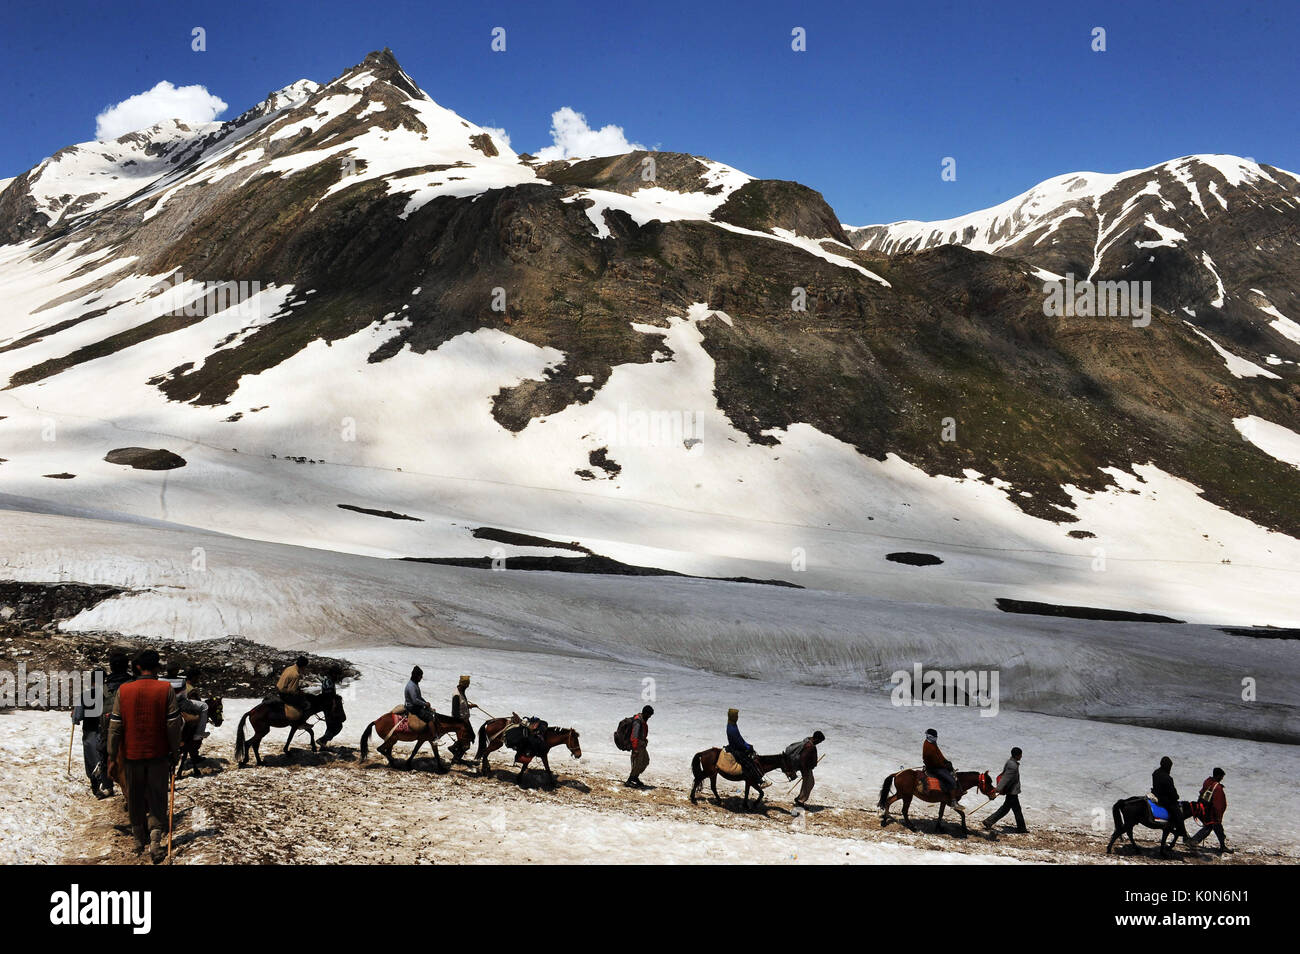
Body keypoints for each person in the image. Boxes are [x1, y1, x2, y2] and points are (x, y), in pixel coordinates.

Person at [106, 650, 182, 863]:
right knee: (157, 796)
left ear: (137, 668)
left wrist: (112, 756)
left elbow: (115, 727)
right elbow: (173, 724)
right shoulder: (165, 689)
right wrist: (174, 750)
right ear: (155, 667)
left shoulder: (124, 690)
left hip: (131, 754)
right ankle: (156, 840)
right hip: (158, 754)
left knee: (135, 796)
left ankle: (138, 839)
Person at [95, 651, 132, 797]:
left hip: (109, 727)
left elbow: (98, 710)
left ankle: (107, 785)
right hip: (132, 725)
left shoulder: (103, 687)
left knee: (103, 750)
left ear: (111, 667)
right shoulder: (133, 683)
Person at [71, 664, 109, 798]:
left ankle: (95, 786)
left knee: (92, 758)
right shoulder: (108, 695)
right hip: (106, 730)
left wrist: (74, 715)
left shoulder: (84, 695)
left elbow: (77, 718)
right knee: (106, 756)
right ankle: (107, 783)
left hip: (90, 731)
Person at [983, 746, 1028, 833]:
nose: (1021, 756)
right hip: (1012, 791)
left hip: (1011, 790)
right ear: (1017, 755)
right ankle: (1021, 828)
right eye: (1021, 755)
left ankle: (989, 821)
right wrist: (998, 789)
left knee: (1009, 808)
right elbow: (1006, 778)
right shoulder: (1013, 766)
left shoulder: (1010, 762)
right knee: (1012, 809)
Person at [1189, 768, 1232, 853]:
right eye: (1222, 777)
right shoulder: (1218, 788)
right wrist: (1218, 817)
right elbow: (1218, 805)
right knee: (1210, 827)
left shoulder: (1207, 781)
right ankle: (1193, 841)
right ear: (1218, 776)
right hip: (1211, 813)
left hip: (1202, 809)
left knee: (1218, 829)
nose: (1222, 779)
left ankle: (1222, 846)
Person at [725, 708, 768, 789]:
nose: (737, 717)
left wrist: (748, 745)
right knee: (749, 763)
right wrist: (746, 747)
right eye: (736, 716)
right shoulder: (732, 728)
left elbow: (740, 739)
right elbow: (738, 742)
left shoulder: (733, 725)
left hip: (736, 746)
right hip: (735, 749)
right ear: (733, 716)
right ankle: (759, 781)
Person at [1151, 756, 1190, 844]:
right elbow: (1172, 792)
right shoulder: (1167, 778)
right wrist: (1176, 797)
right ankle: (1182, 832)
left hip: (1155, 795)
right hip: (1164, 800)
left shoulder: (1155, 773)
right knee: (1178, 813)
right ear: (1167, 766)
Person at [783, 730, 824, 807]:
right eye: (819, 741)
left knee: (808, 783)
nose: (819, 743)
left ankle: (800, 798)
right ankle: (800, 800)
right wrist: (804, 771)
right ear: (816, 739)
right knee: (809, 783)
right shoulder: (809, 746)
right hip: (806, 768)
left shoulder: (808, 742)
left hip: (806, 768)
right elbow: (803, 759)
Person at [922, 728, 957, 800]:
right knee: (952, 781)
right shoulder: (929, 747)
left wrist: (946, 761)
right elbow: (935, 762)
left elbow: (939, 754)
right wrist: (945, 766)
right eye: (934, 737)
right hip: (934, 768)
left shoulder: (932, 743)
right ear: (930, 737)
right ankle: (953, 801)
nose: (936, 739)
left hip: (938, 766)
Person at [625, 705, 653, 788]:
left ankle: (635, 777)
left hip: (641, 745)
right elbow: (634, 736)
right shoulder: (638, 721)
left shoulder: (642, 720)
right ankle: (630, 780)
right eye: (649, 715)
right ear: (645, 713)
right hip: (637, 746)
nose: (649, 717)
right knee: (637, 763)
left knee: (645, 761)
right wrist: (635, 749)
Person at [449, 675, 476, 761]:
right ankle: (456, 758)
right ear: (463, 685)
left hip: (465, 720)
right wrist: (462, 723)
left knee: (471, 737)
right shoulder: (457, 695)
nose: (467, 687)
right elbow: (455, 712)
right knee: (466, 744)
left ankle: (453, 749)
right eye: (466, 686)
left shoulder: (462, 692)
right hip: (460, 722)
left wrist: (470, 706)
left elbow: (462, 705)